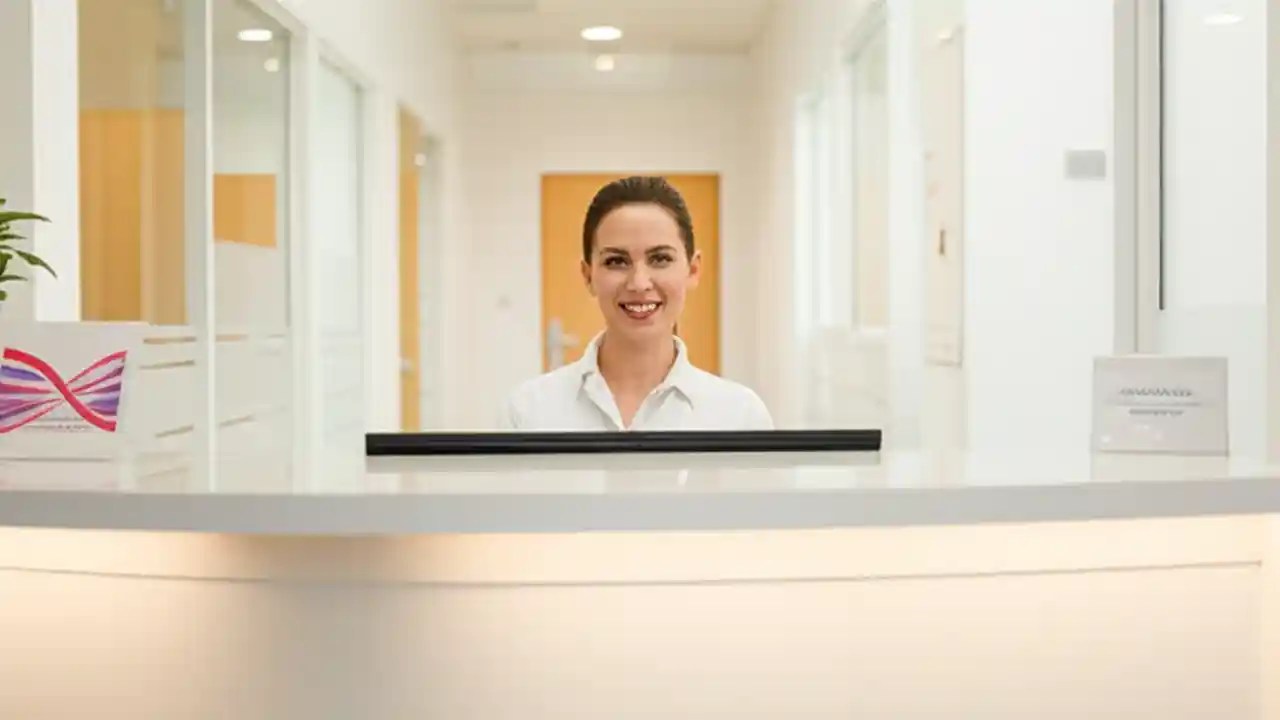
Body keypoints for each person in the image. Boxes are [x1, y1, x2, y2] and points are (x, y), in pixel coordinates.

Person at [501, 175, 773, 431]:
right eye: (616, 261)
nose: (639, 283)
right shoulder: (528, 411)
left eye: (660, 259)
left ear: (693, 270)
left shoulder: (740, 416)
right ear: (588, 276)